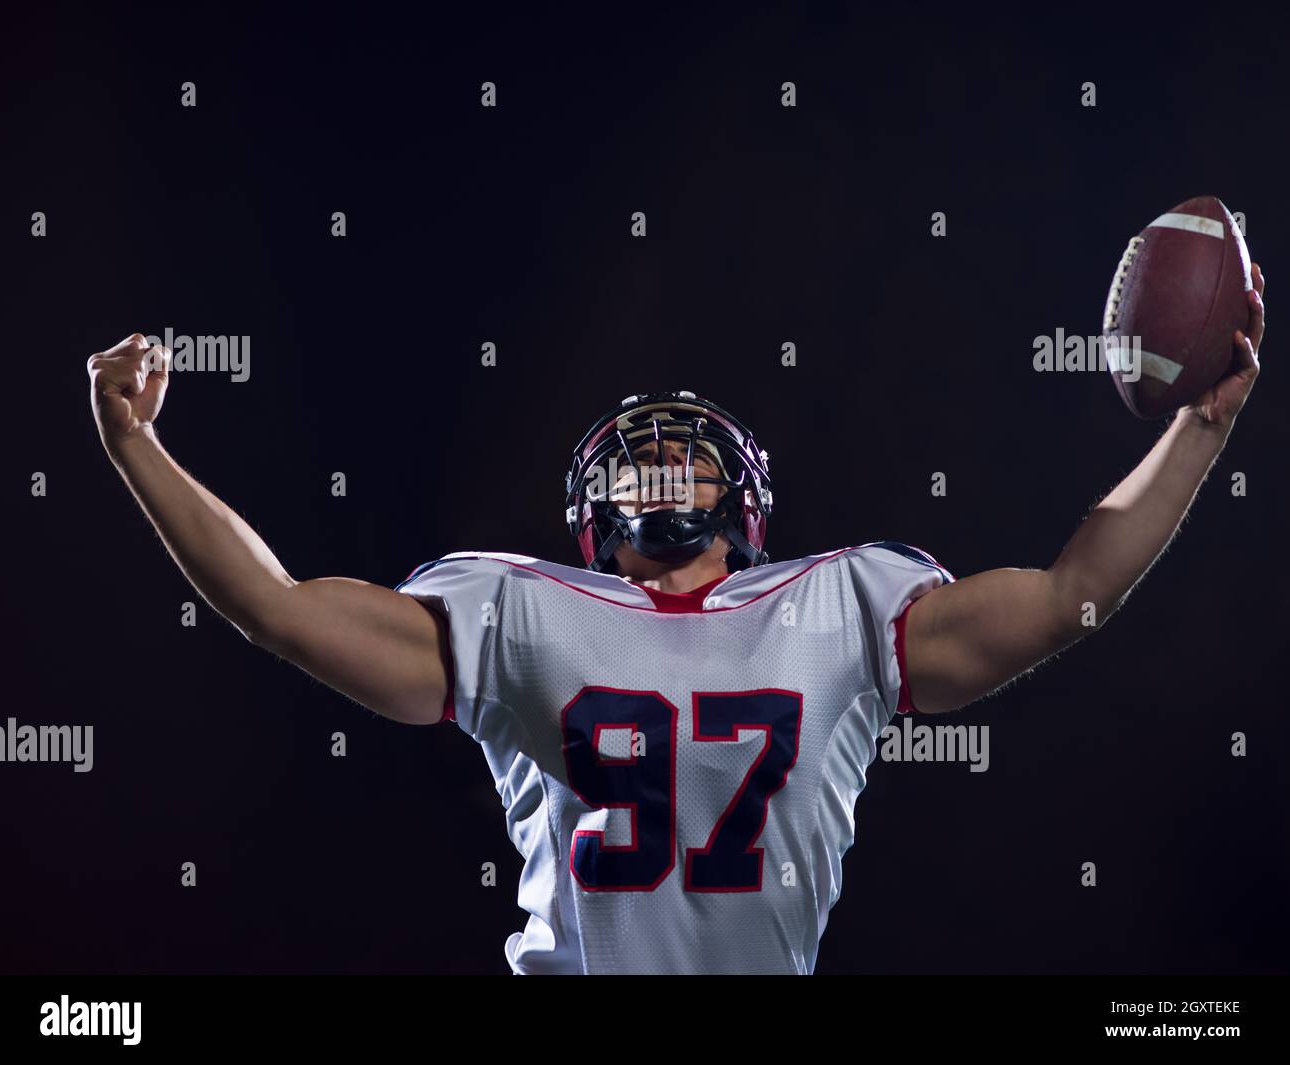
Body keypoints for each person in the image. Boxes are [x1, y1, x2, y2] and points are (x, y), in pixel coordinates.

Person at [87, 266, 1264, 973]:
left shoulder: (843, 601)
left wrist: (1198, 430)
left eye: (680, 457)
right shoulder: (514, 607)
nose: (657, 473)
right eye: (634, 461)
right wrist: (138, 449)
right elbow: (279, 612)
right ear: (591, 511)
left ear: (738, 499)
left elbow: (1068, 599)